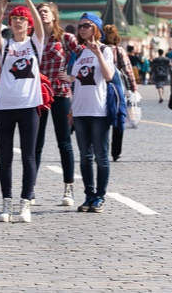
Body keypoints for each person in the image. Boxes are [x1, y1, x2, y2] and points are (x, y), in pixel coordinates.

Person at [0, 0, 44, 223]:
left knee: (28, 156)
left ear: (28, 24)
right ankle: (6, 204)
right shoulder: (7, 46)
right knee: (5, 157)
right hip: (4, 107)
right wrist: (1, 11)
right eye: (14, 20)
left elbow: (41, 25)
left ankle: (25, 204)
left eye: (21, 19)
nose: (17, 22)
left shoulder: (34, 44)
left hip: (29, 106)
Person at [34, 1, 80, 207]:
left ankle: (68, 188)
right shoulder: (34, 39)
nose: (42, 14)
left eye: (45, 12)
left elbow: (85, 54)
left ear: (54, 16)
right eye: (39, 12)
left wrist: (72, 76)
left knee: (64, 142)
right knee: (36, 143)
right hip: (38, 95)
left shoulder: (65, 38)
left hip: (60, 94)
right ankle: (30, 189)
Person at [68, 12, 115, 212]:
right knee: (85, 157)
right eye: (80, 26)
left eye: (87, 25)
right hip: (79, 110)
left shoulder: (105, 50)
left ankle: (100, 196)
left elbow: (108, 76)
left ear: (96, 28)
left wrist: (97, 54)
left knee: (101, 156)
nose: (82, 29)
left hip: (98, 111)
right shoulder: (78, 53)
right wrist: (70, 110)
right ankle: (88, 195)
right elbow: (75, 82)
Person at [102, 25, 137, 162]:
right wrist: (133, 86)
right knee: (118, 119)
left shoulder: (99, 49)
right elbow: (128, 70)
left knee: (102, 119)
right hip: (117, 89)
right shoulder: (118, 50)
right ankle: (116, 151)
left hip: (100, 89)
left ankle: (101, 148)